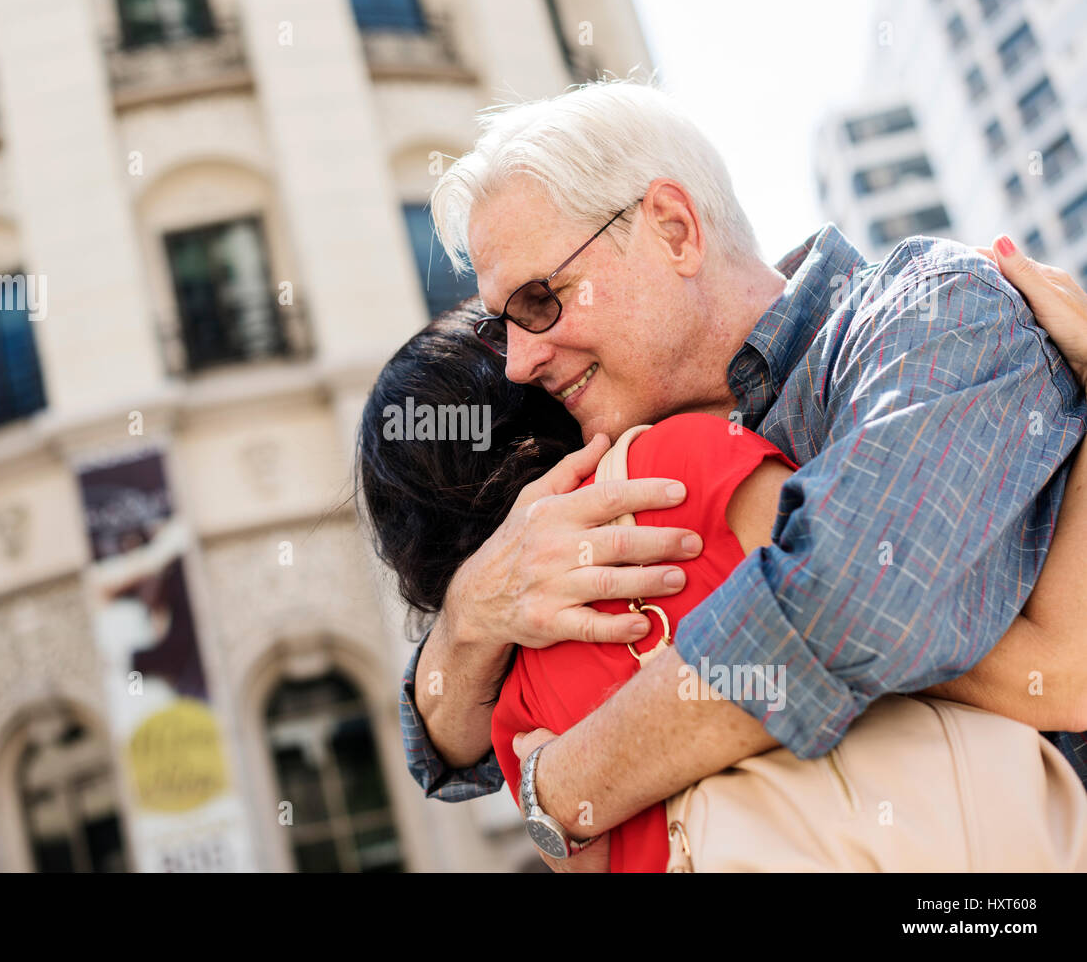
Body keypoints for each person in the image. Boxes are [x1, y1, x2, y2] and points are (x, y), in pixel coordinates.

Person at [397, 79, 1087, 865]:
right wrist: (475, 615)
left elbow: (849, 606)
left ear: (674, 228)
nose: (518, 362)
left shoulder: (925, 312)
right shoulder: (633, 457)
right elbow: (454, 753)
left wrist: (562, 789)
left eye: (540, 299)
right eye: (501, 323)